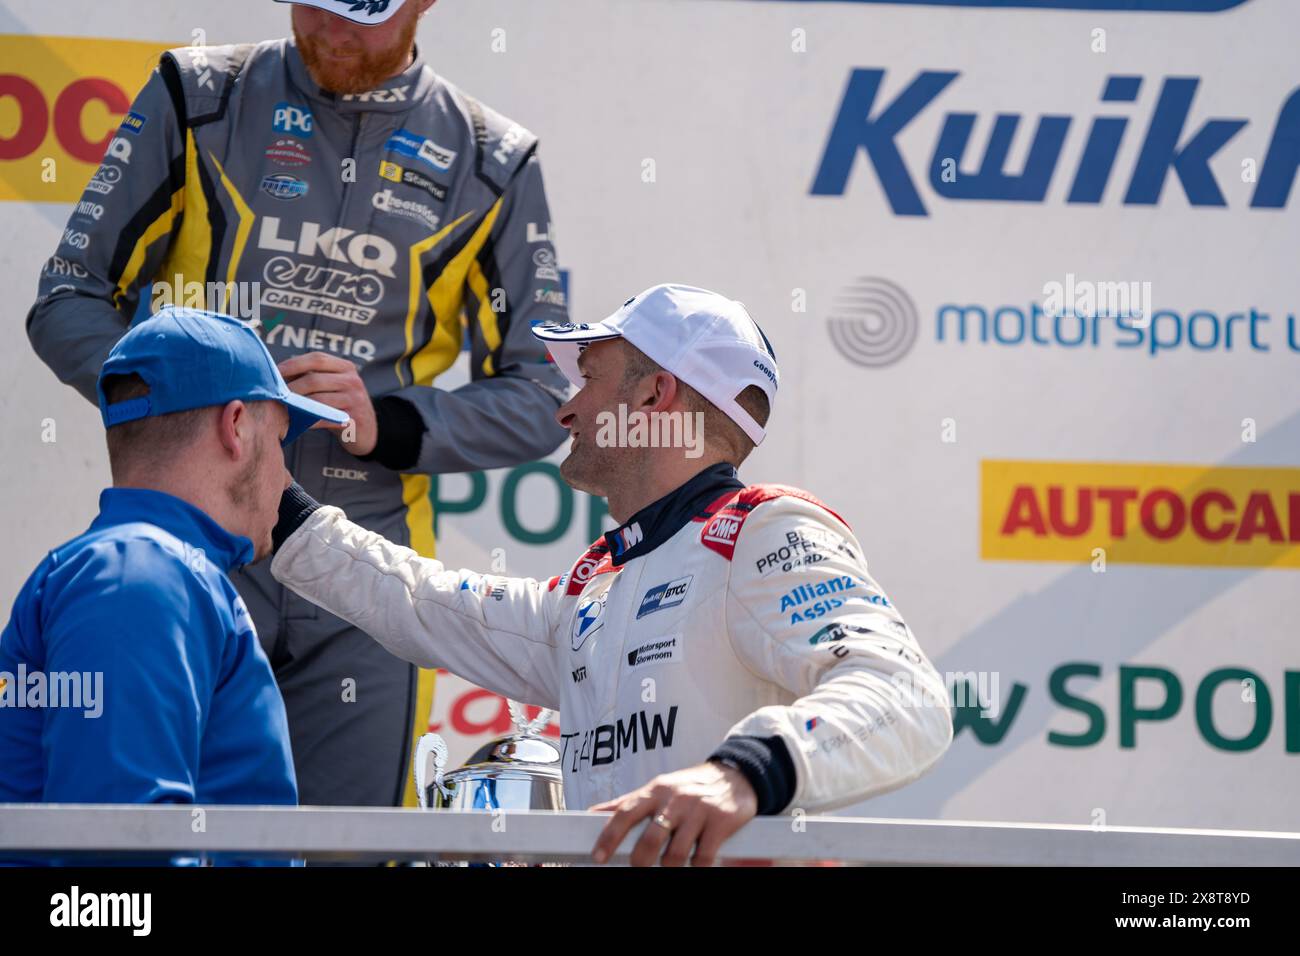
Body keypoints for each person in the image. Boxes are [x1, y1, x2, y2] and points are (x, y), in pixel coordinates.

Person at [25, 0, 571, 807]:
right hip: (194, 533)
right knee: (143, 822)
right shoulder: (199, 92)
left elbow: (544, 391)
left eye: (363, 14)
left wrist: (390, 422)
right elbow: (66, 299)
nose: (331, 33)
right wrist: (195, 391)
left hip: (361, 563)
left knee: (344, 851)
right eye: (315, 5)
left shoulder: (493, 159)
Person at [268, 284, 954, 866]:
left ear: (656, 395)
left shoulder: (759, 530)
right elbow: (426, 604)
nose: (565, 410)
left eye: (588, 378)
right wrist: (275, 508)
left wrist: (743, 773)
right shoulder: (599, 579)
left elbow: (904, 692)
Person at [0, 307, 346, 821]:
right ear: (235, 427)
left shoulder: (143, 567)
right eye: (278, 442)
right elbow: (119, 858)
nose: (286, 479)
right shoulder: (142, 573)